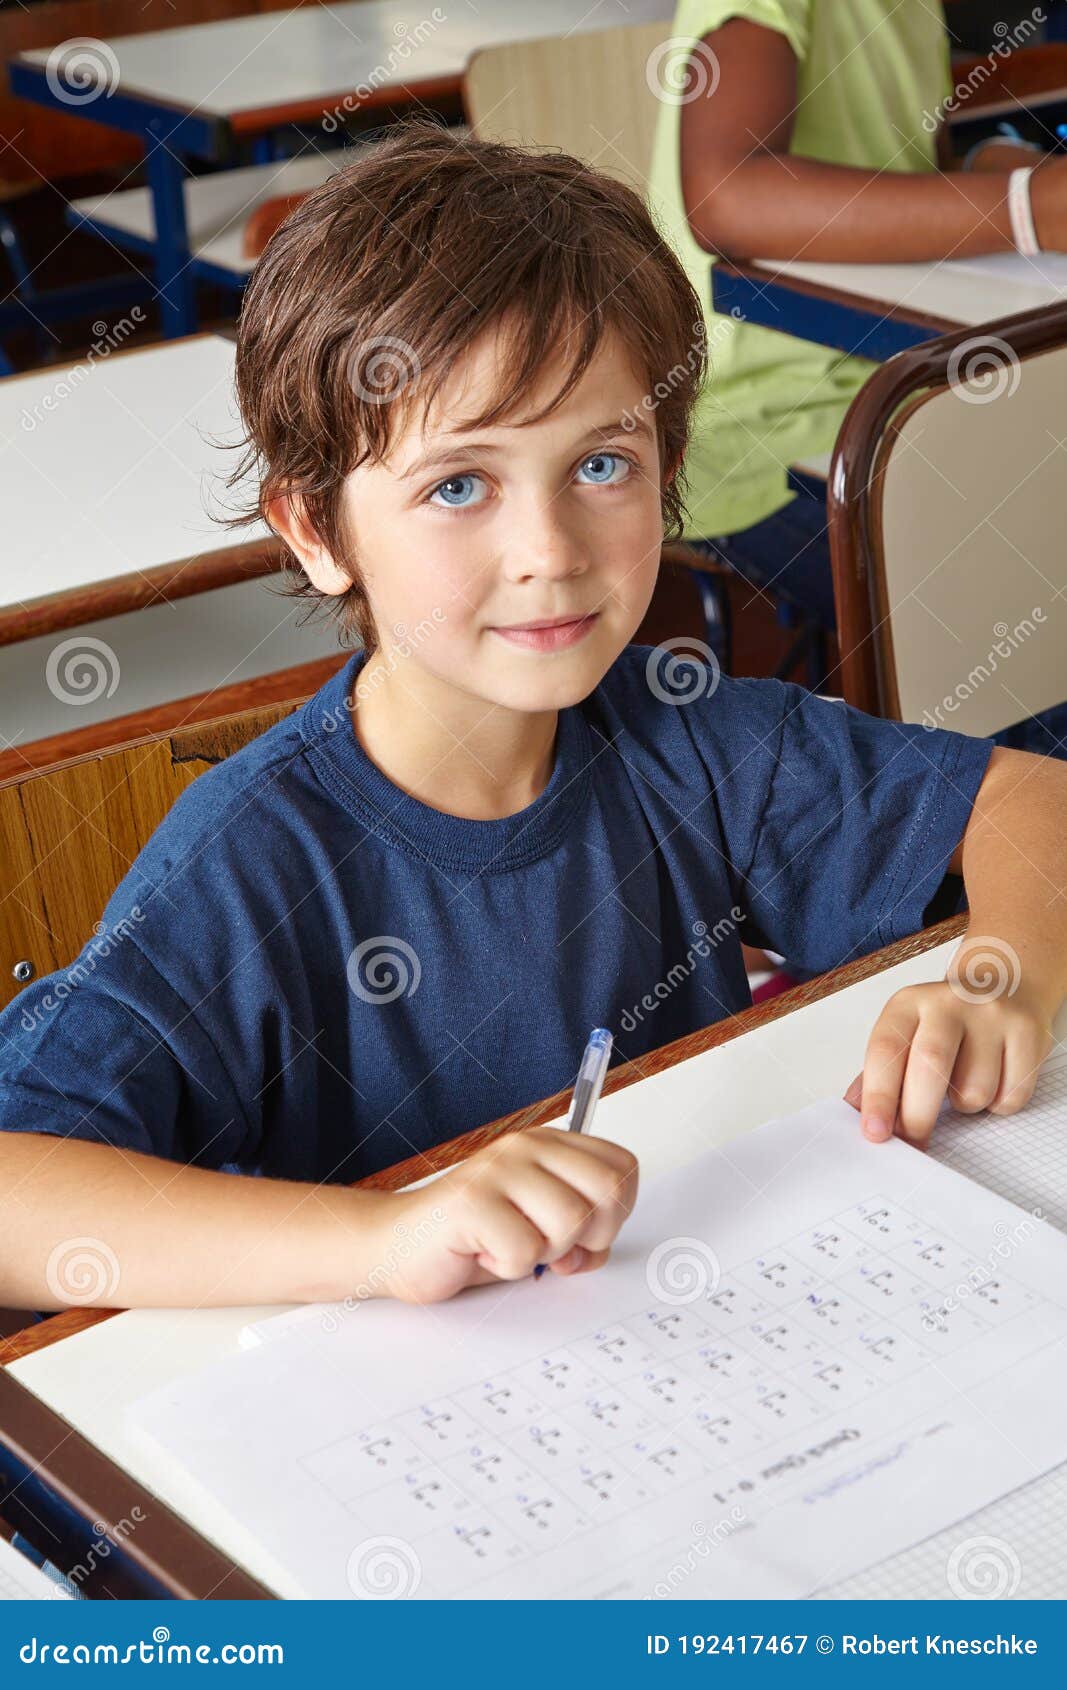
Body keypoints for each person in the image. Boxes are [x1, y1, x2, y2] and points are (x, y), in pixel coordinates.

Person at [1, 124, 1065, 1313]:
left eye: (600, 465)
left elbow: (1033, 800)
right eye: (459, 485)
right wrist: (384, 1237)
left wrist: (997, 969)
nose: (549, 553)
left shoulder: (693, 739)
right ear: (312, 529)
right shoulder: (254, 862)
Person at [646, 0, 1067, 683]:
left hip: (896, 380)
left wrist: (995, 165)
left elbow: (893, 165)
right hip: (756, 419)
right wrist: (1023, 207)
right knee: (1013, 635)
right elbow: (726, 198)